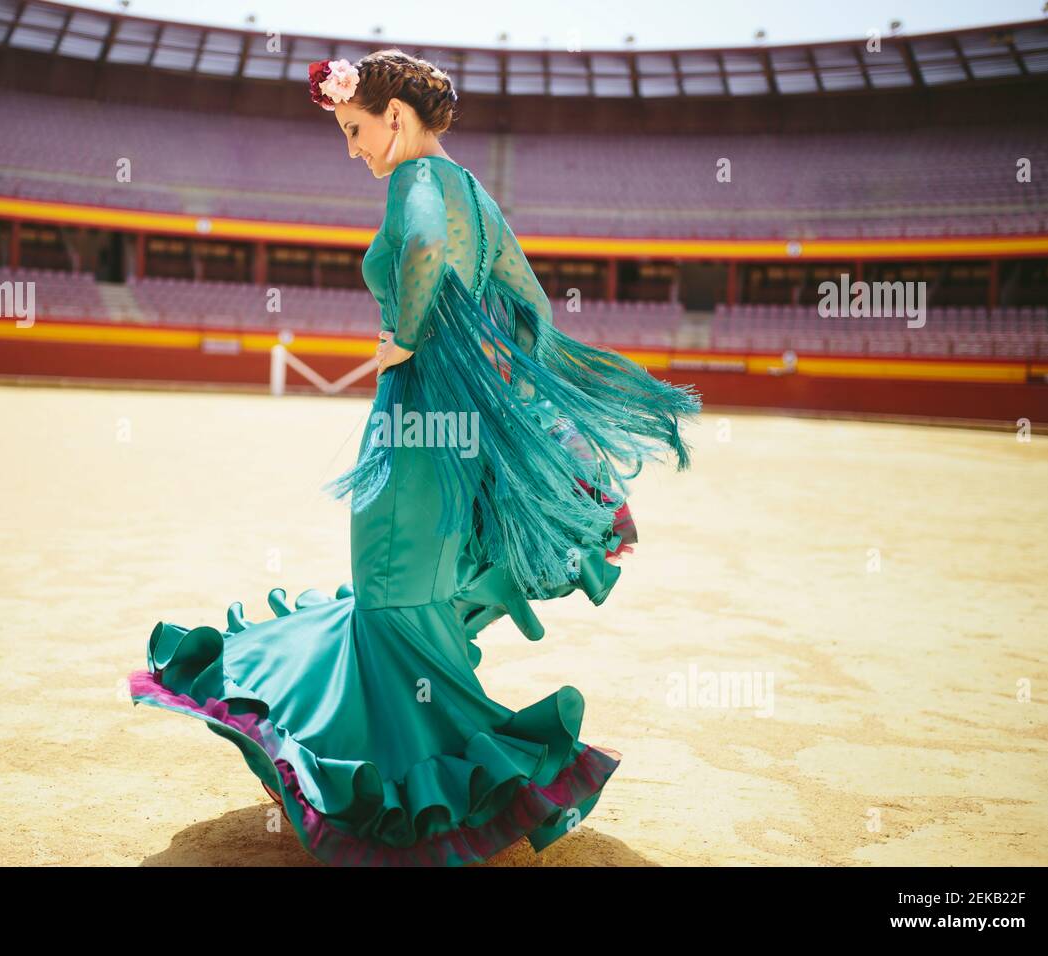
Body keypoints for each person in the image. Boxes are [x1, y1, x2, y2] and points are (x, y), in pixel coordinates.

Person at [127, 49, 702, 866]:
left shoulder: (419, 184)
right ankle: (399, 770)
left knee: (388, 590)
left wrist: (404, 337)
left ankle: (399, 787)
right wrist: (497, 383)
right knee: (404, 592)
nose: (352, 149)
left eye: (356, 130)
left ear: (396, 118)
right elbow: (533, 307)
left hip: (414, 416)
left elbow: (425, 248)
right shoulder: (481, 195)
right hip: (458, 422)